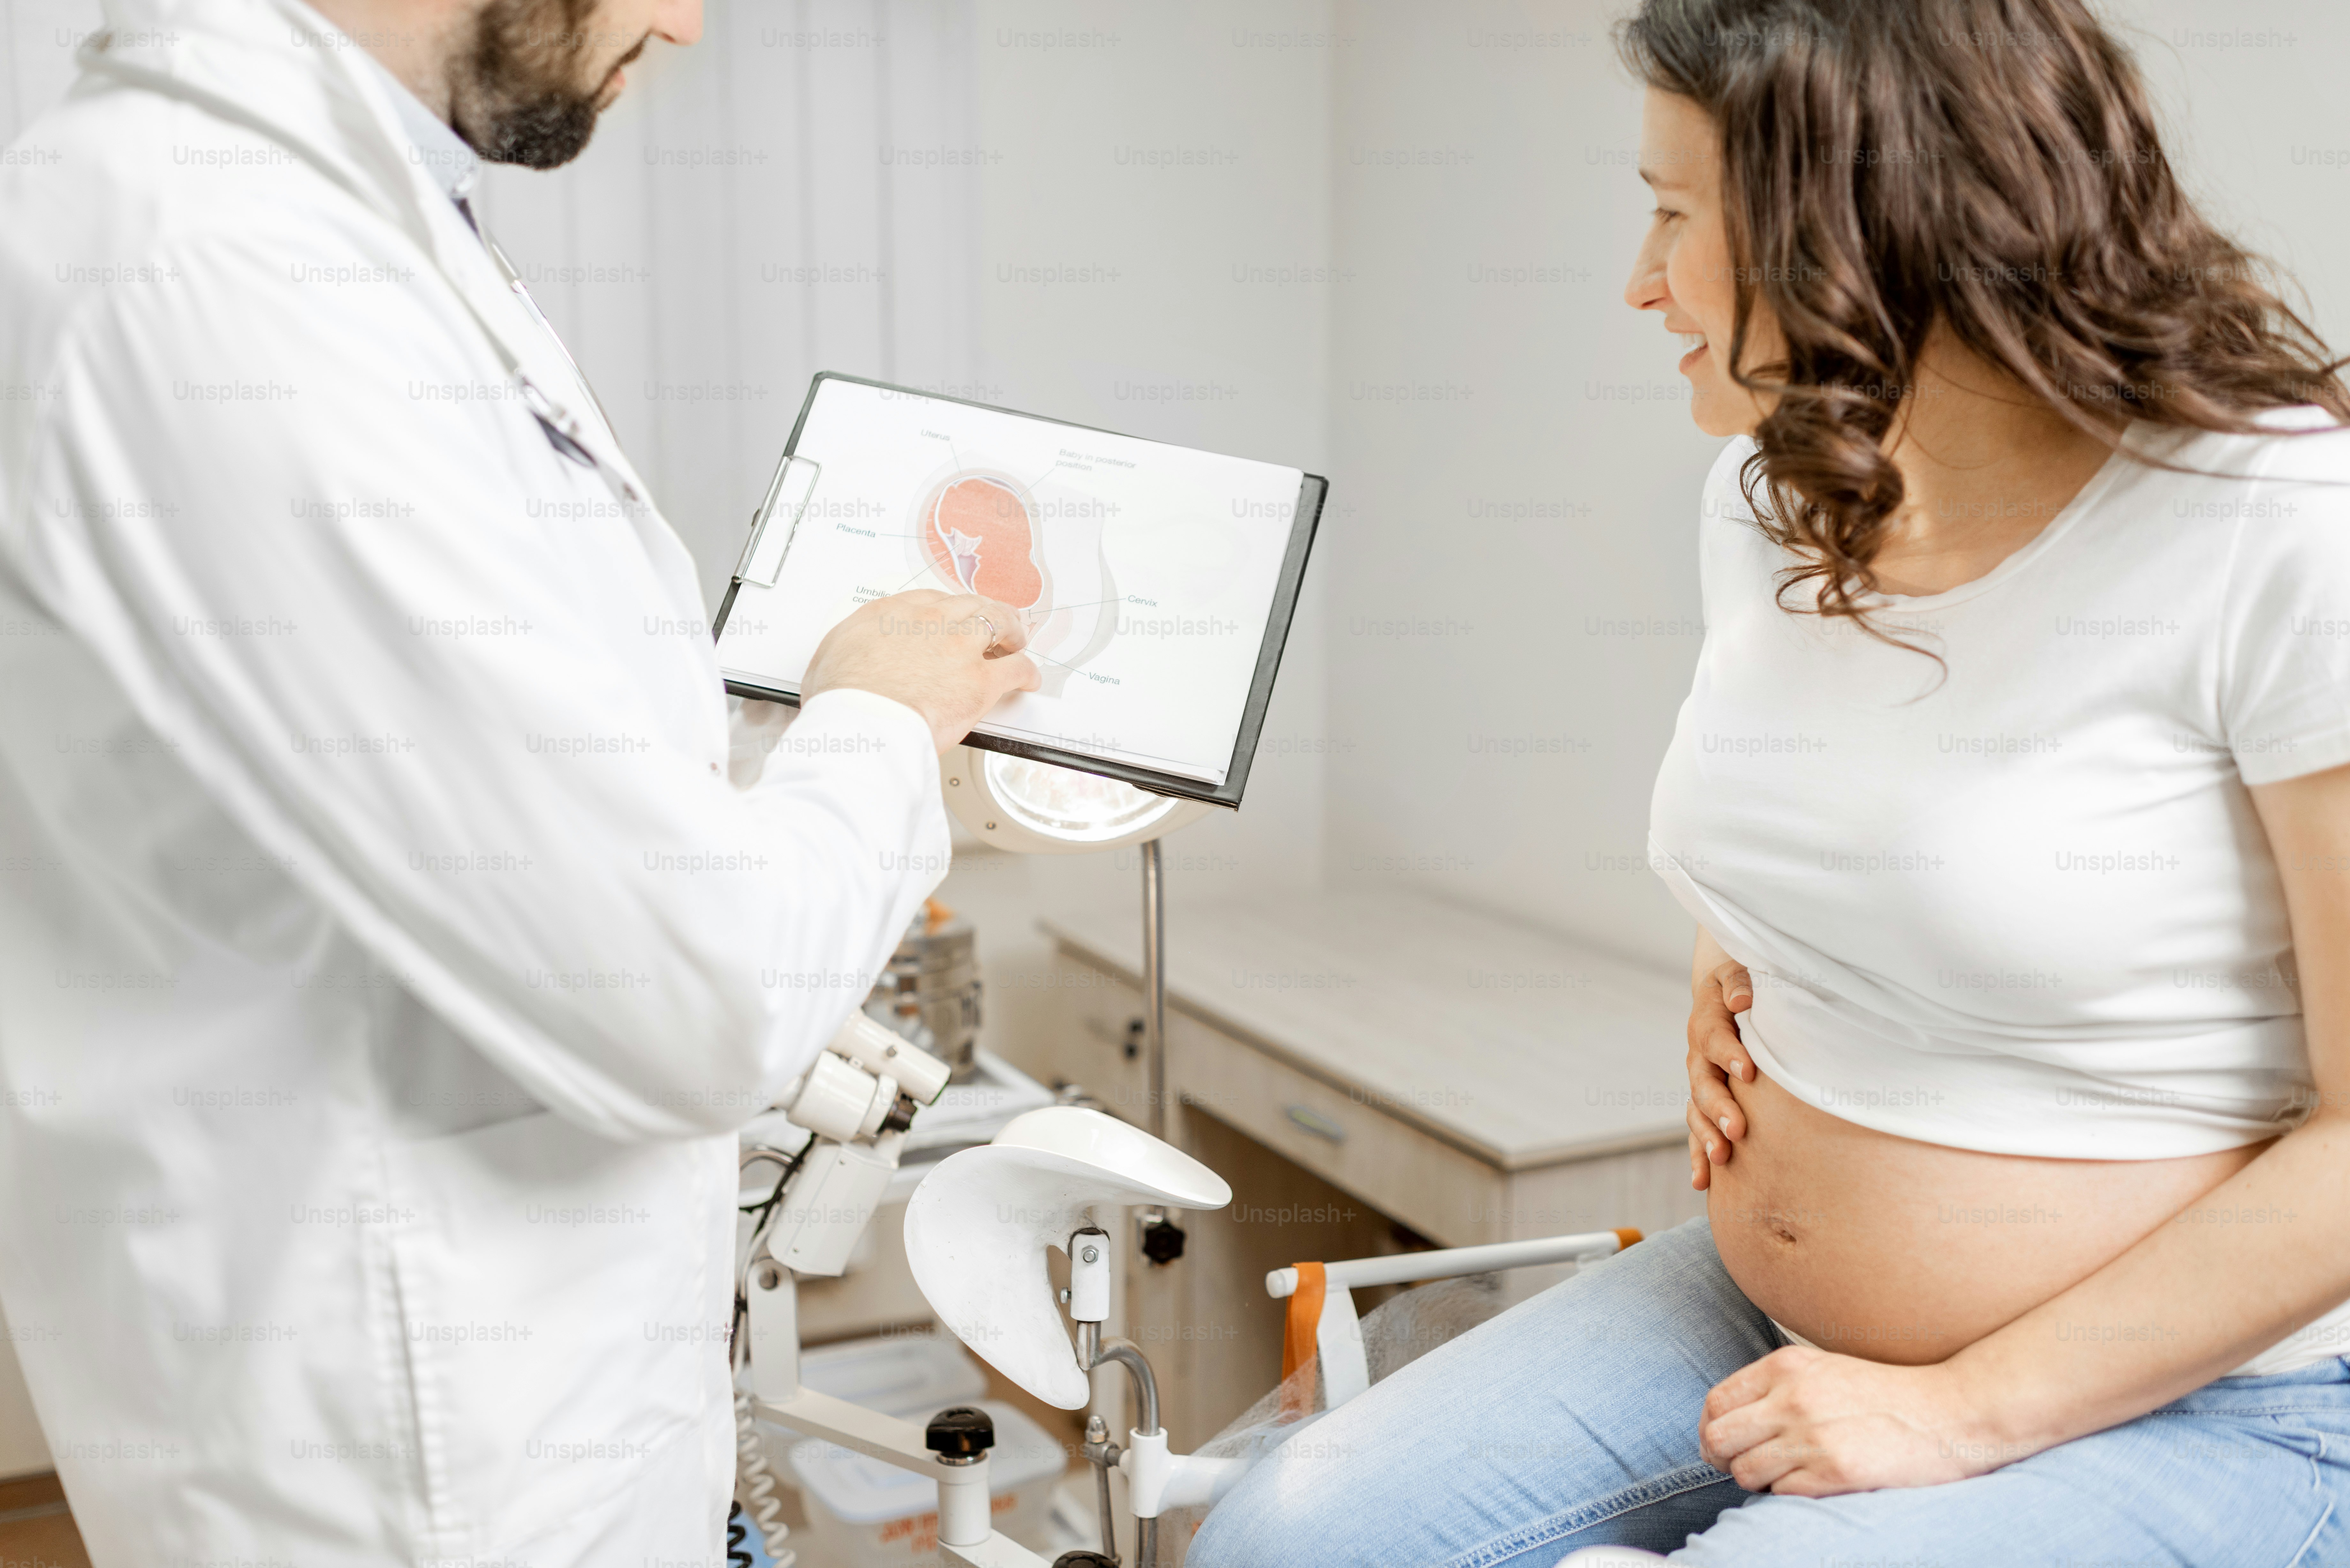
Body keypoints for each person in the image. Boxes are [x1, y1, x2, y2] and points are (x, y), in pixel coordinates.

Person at [1190, 1, 2350, 1563]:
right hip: (1764, 1307)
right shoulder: (1773, 495)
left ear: (1863, 222)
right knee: (1284, 1539)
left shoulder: (2278, 520)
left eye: (1675, 215)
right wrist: (1744, 960)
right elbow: (1838, 810)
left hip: (2209, 1397)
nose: (1638, 280)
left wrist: (1965, 1408)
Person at [0, 0, 1034, 1561]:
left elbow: (479, 758)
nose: (685, 25)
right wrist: (876, 719)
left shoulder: (336, 214)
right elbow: (689, 993)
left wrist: (775, 756)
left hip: (488, 1375)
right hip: (421, 1456)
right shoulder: (217, 272)